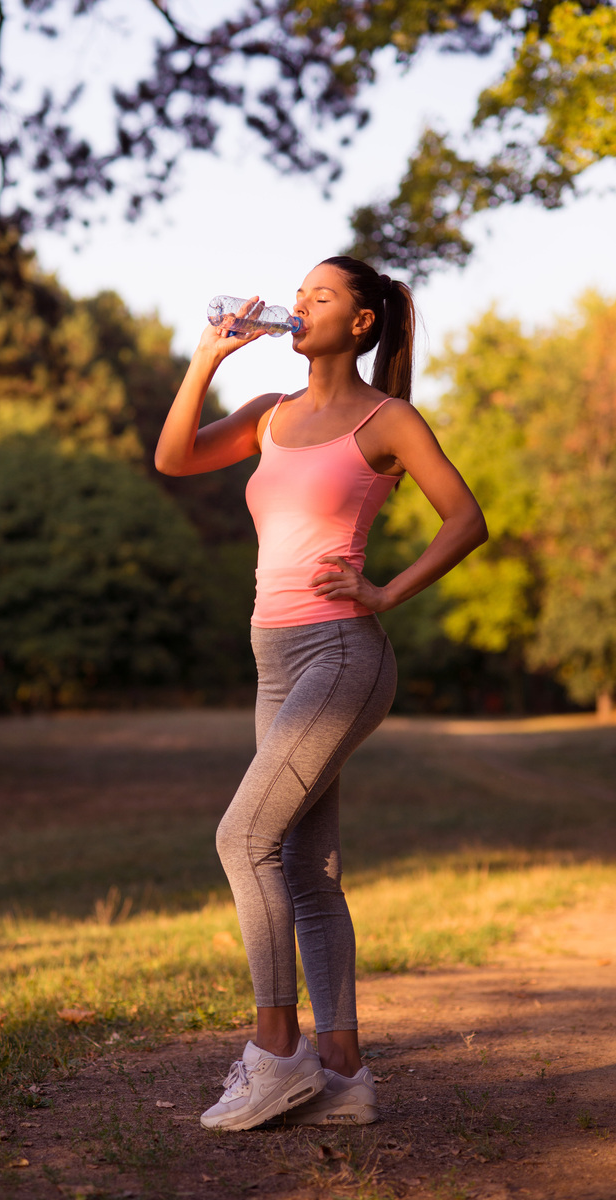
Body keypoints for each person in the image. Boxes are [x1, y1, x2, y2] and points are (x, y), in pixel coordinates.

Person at [155, 256, 488, 1133]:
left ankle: (275, 1053)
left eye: (320, 295)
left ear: (361, 322)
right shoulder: (269, 414)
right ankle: (342, 1076)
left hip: (342, 654)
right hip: (275, 658)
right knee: (306, 867)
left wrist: (383, 593)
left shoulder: (386, 420)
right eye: (297, 294)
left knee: (243, 837)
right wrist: (205, 361)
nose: (298, 305)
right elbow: (174, 456)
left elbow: (466, 519)